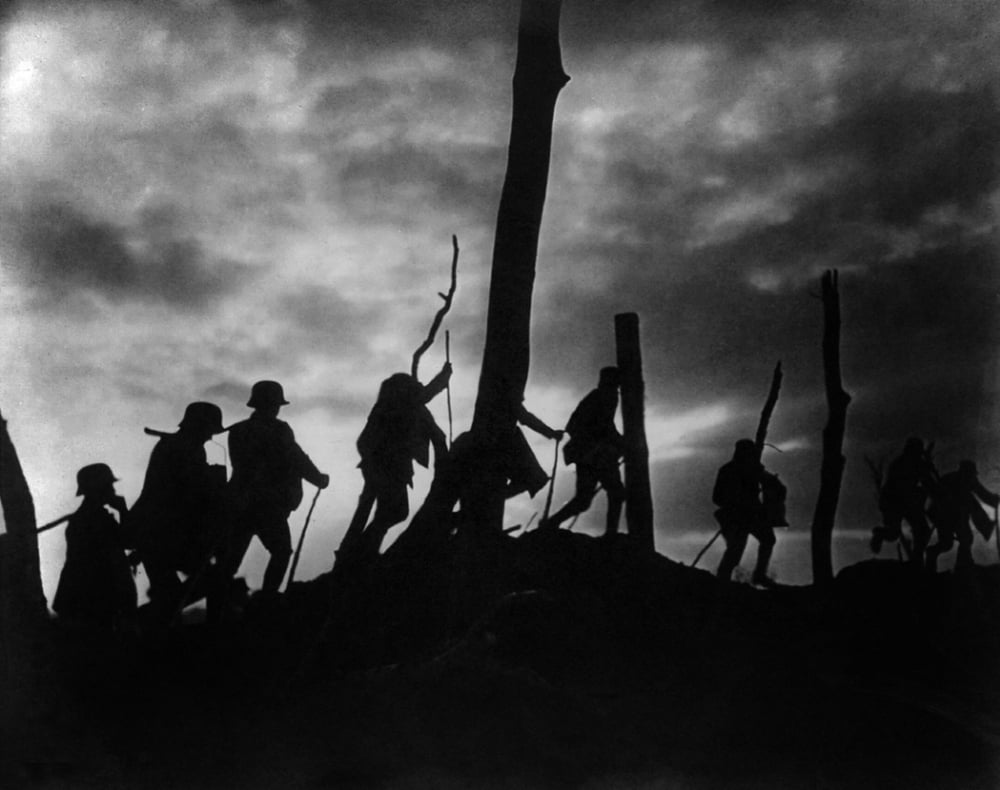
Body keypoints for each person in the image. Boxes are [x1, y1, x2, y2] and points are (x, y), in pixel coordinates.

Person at [222, 381, 330, 595]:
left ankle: (217, 613)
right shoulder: (279, 430)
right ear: (274, 405)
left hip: (239, 504)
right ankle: (268, 598)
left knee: (229, 564)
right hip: (267, 505)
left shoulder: (238, 431)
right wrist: (318, 478)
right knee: (281, 552)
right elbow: (296, 458)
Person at [341, 364, 451, 561]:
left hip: (380, 464)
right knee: (395, 511)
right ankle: (362, 551)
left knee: (382, 511)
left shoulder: (388, 405)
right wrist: (443, 377)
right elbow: (424, 395)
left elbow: (421, 397)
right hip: (389, 465)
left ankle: (359, 551)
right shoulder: (396, 405)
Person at [131, 402, 228, 621]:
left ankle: (143, 622)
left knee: (171, 596)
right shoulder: (183, 449)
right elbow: (184, 492)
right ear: (200, 426)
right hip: (164, 533)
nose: (210, 437)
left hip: (156, 533)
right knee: (203, 583)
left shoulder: (182, 447)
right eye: (209, 430)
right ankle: (139, 621)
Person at [540, 367, 625, 537]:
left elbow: (605, 425)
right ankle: (610, 534)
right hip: (593, 455)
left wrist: (618, 442)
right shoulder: (601, 397)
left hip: (592, 455)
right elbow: (587, 426)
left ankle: (551, 523)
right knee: (612, 493)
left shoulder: (603, 396)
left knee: (585, 499)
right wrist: (618, 442)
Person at [52, 463, 137, 629]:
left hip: (83, 601)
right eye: (108, 485)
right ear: (98, 488)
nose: (112, 489)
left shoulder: (89, 517)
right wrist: (123, 511)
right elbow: (129, 541)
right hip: (93, 602)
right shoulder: (96, 520)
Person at [713, 439, 785, 586]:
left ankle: (759, 575)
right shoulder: (727, 471)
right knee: (735, 550)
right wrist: (735, 502)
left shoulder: (754, 469)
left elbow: (774, 485)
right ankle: (722, 580)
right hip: (735, 517)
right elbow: (717, 498)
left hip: (752, 515)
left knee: (767, 539)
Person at [871, 437, 937, 563]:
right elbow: (928, 484)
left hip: (897, 501)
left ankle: (916, 559)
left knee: (907, 532)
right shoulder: (912, 464)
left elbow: (927, 484)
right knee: (900, 532)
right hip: (897, 501)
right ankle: (916, 560)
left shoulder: (902, 462)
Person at [926, 460, 999, 573]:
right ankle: (961, 566)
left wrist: (994, 500)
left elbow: (983, 494)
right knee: (952, 542)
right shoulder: (953, 480)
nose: (973, 476)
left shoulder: (963, 479)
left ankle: (963, 565)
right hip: (945, 516)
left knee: (961, 540)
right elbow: (935, 497)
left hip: (955, 516)